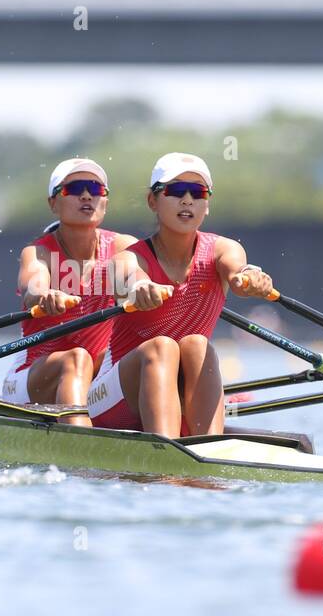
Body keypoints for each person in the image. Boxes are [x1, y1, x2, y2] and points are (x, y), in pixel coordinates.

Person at [86, 152, 275, 437]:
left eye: (198, 193)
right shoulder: (127, 258)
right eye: (175, 190)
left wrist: (249, 279)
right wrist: (139, 287)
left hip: (179, 392)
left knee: (197, 344)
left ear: (207, 205)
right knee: (162, 346)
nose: (188, 199)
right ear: (153, 201)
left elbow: (238, 272)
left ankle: (210, 450)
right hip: (115, 402)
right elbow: (129, 276)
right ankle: (167, 460)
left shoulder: (223, 249)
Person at [2, 158, 137, 425]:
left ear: (105, 201)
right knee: (76, 358)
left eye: (96, 189)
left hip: (96, 375)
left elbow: (135, 276)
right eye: (74, 188)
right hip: (32, 376)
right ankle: (82, 453)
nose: (86, 195)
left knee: (139, 353)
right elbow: (33, 284)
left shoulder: (124, 247)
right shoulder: (38, 252)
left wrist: (141, 288)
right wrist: (44, 295)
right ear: (53, 203)